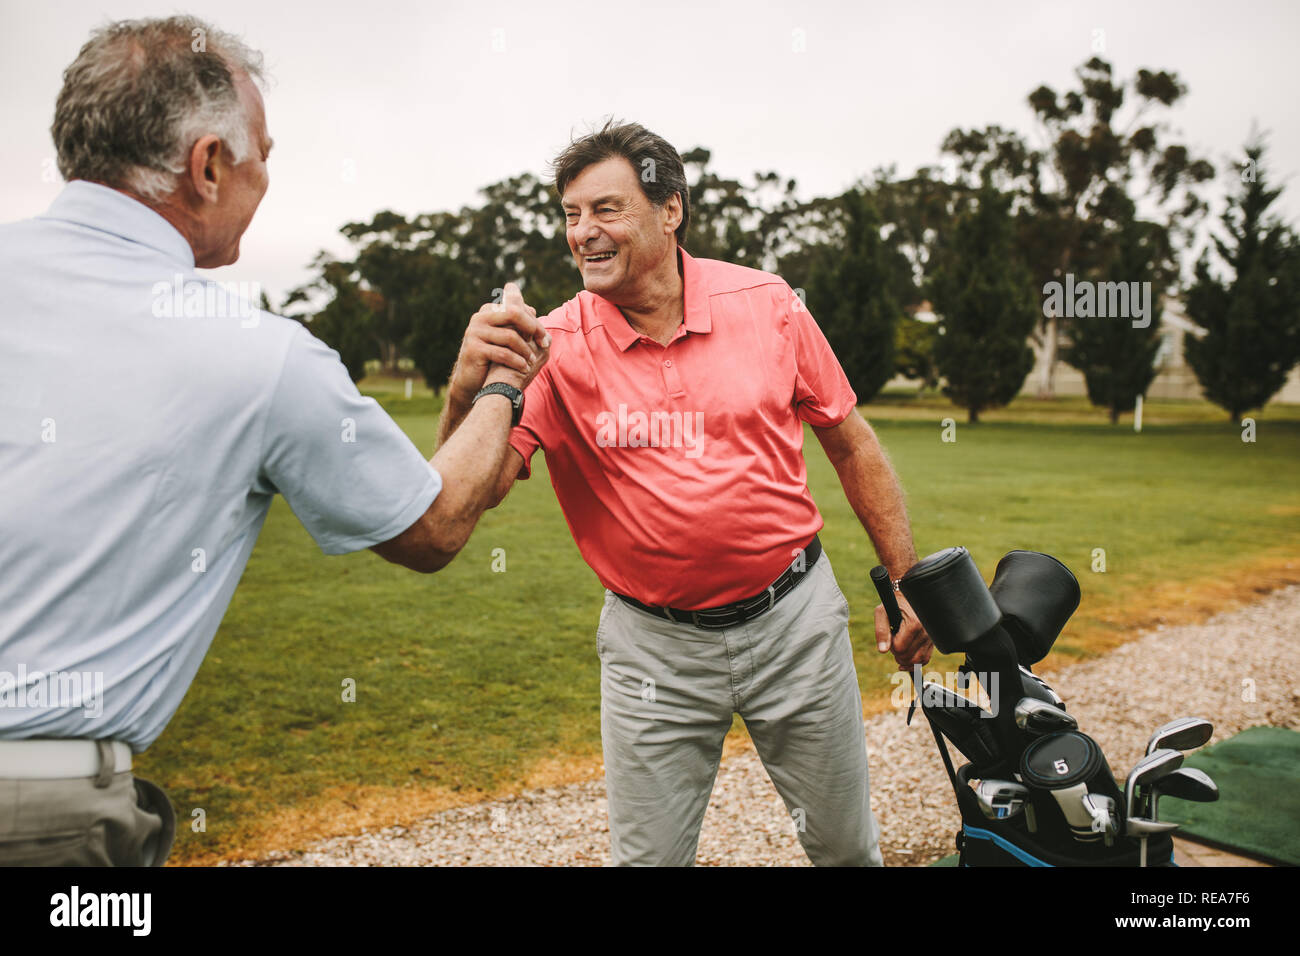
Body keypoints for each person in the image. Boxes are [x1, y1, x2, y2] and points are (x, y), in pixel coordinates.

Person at [0, 16, 547, 866]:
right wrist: (507, 384)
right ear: (208, 164)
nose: (266, 180)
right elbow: (432, 527)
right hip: (43, 822)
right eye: (264, 155)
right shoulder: (255, 353)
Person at [437, 120, 934, 866]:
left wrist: (907, 581)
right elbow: (470, 496)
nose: (583, 234)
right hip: (652, 650)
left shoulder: (768, 303)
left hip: (795, 623)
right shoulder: (552, 344)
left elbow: (850, 439)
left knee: (845, 850)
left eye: (606, 209)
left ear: (672, 210)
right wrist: (464, 389)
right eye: (571, 215)